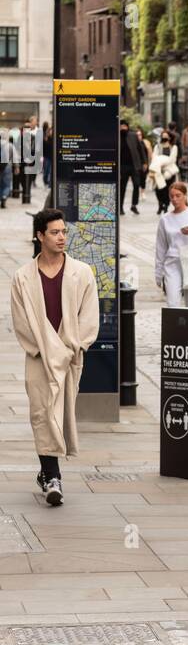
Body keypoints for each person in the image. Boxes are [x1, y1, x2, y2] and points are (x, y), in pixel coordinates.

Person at [10, 208, 99, 507]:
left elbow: (89, 317)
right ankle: (52, 476)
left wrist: (74, 346)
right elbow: (21, 321)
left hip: (69, 356)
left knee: (60, 413)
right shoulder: (22, 277)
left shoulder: (82, 273)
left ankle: (47, 471)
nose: (62, 237)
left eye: (64, 232)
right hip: (38, 357)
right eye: (55, 232)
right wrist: (42, 349)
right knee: (41, 413)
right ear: (39, 236)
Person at [119, 119, 147, 215]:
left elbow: (140, 149)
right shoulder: (116, 137)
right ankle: (120, 207)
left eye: (124, 126)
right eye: (121, 126)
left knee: (136, 184)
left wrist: (144, 162)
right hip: (122, 167)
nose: (122, 128)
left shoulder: (133, 135)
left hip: (134, 165)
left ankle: (134, 205)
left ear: (127, 127)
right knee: (122, 187)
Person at [147, 133, 179, 214]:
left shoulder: (173, 147)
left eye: (166, 136)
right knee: (158, 190)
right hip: (158, 170)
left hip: (169, 171)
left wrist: (163, 163)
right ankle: (160, 204)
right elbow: (154, 157)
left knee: (168, 189)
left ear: (169, 137)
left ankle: (166, 205)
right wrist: (158, 165)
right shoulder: (157, 146)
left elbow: (172, 159)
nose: (164, 137)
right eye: (163, 136)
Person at [42, 121, 53, 188]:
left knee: (50, 171)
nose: (50, 132)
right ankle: (45, 181)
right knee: (46, 171)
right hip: (46, 157)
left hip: (51, 157)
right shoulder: (44, 139)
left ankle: (49, 184)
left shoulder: (52, 139)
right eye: (49, 131)